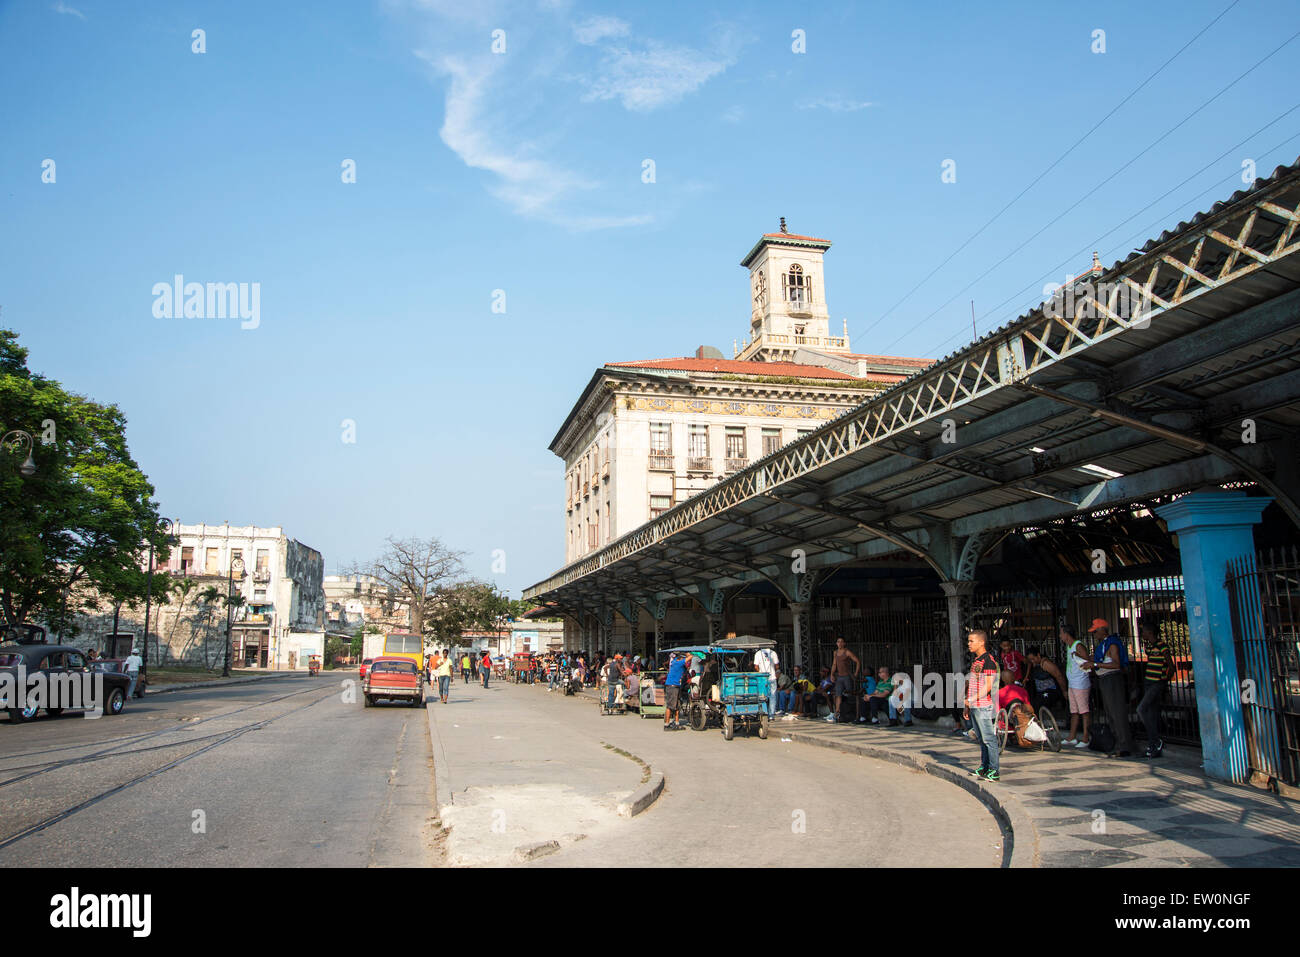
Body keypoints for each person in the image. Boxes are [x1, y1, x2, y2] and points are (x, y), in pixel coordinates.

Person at [1088, 618, 1135, 758]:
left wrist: (1096, 666)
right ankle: (1118, 743)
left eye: (1096, 631)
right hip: (1104, 679)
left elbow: (1116, 665)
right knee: (1110, 713)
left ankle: (1125, 746)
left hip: (1112, 679)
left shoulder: (1112, 645)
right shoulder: (1103, 644)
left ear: (1102, 630)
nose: (1095, 634)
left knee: (1117, 713)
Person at [963, 629, 1001, 782]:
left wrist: (971, 700)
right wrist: (968, 704)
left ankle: (994, 769)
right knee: (980, 738)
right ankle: (984, 766)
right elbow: (973, 684)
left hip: (983, 706)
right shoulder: (976, 661)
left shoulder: (988, 661)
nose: (969, 644)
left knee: (989, 739)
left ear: (981, 642)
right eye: (968, 641)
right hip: (974, 706)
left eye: (972, 641)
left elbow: (988, 686)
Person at [1136, 618, 1173, 759]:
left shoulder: (1162, 646)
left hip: (1157, 683)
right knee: (1151, 712)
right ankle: (1152, 743)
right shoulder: (1150, 647)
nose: (1142, 633)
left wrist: (1164, 681)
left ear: (1150, 632)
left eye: (1144, 631)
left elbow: (1171, 666)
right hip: (1148, 682)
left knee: (1141, 709)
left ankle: (1156, 740)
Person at [1060, 624, 1092, 748]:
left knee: (1084, 710)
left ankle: (1085, 737)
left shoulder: (1078, 645)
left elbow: (1087, 660)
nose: (1060, 636)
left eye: (1061, 633)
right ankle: (1072, 736)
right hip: (1073, 682)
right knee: (1074, 711)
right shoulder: (1069, 646)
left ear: (1066, 634)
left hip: (1080, 682)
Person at [826, 637, 860, 723]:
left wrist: (856, 673)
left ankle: (850, 714)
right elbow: (834, 664)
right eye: (838, 642)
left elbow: (857, 661)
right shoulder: (835, 652)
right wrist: (832, 674)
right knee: (838, 695)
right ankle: (837, 713)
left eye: (841, 642)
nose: (840, 643)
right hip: (839, 677)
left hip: (847, 676)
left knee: (849, 694)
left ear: (844, 643)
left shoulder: (847, 652)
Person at [1025, 646, 1066, 716]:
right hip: (1040, 692)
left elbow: (1059, 676)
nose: (1032, 661)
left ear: (1038, 655)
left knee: (1036, 705)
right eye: (1030, 660)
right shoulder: (1036, 665)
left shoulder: (1045, 663)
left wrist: (1064, 691)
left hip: (1050, 691)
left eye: (1033, 659)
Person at [663, 651, 688, 731]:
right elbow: (689, 658)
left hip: (675, 686)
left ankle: (677, 723)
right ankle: (666, 725)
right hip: (672, 686)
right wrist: (693, 654)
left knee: (676, 705)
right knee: (670, 706)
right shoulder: (679, 663)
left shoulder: (674, 661)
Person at [753, 644, 779, 716]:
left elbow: (756, 666)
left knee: (762, 696)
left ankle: (763, 712)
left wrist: (760, 673)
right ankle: (771, 715)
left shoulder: (758, 653)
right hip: (772, 677)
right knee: (773, 696)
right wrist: (773, 671)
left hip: (762, 678)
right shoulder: (773, 653)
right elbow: (777, 665)